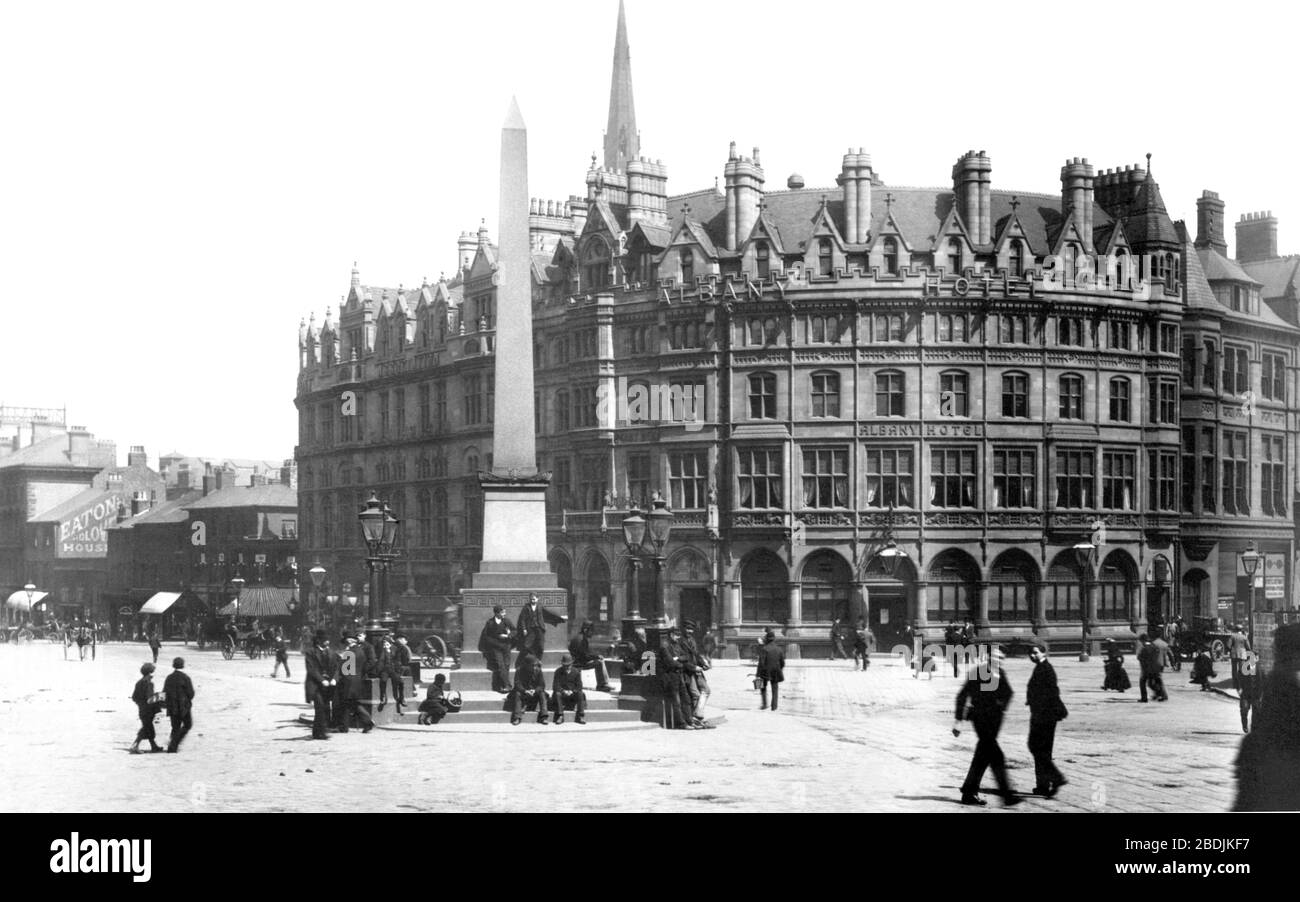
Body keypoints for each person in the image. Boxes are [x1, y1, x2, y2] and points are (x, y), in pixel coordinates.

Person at [1235, 623, 1300, 811]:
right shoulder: (1281, 680)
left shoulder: (1280, 679)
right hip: (1276, 775)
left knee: (1248, 710)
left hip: (1272, 774)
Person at [953, 649, 1020, 806]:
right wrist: (958, 720)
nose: (999, 661)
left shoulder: (1000, 673)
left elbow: (1009, 692)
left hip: (994, 721)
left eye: (1002, 658)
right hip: (980, 719)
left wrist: (1001, 707)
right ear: (989, 657)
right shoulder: (978, 672)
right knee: (997, 756)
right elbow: (962, 695)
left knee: (982, 757)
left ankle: (969, 792)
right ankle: (1007, 796)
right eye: (996, 657)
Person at [1025, 642, 1068, 797]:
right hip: (1042, 714)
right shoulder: (1040, 667)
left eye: (1035, 652)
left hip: (1044, 716)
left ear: (1044, 653)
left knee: (1036, 747)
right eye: (1030, 653)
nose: (1032, 655)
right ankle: (1043, 785)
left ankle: (1055, 778)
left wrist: (1038, 708)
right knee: (1041, 750)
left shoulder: (1046, 669)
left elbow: (1052, 693)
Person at [656, 626, 694, 728]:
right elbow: (670, 663)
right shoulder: (664, 646)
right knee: (676, 701)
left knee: (686, 699)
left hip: (679, 675)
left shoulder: (676, 645)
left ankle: (689, 721)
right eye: (677, 635)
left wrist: (677, 658)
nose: (678, 638)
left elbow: (686, 656)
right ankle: (682, 724)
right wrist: (680, 662)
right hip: (670, 677)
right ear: (671, 635)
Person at [335, 633, 374, 733]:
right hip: (357, 681)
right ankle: (367, 722)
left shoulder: (349, 652)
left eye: (346, 642)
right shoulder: (360, 651)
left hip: (348, 681)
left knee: (345, 704)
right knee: (353, 704)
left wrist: (340, 659)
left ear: (350, 641)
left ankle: (345, 726)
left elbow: (345, 669)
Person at [303, 629, 338, 740]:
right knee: (320, 707)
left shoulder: (332, 653)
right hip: (315, 684)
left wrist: (334, 679)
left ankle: (317, 732)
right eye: (325, 640)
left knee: (326, 707)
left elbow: (337, 668)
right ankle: (322, 732)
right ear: (318, 641)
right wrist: (321, 680)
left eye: (328, 640)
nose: (327, 642)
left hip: (328, 686)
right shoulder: (310, 652)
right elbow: (311, 669)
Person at [516, 592, 566, 661]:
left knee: (541, 646)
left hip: (539, 628)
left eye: (534, 599)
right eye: (531, 599)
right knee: (526, 646)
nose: (532, 601)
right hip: (530, 629)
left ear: (537, 599)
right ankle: (532, 657)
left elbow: (549, 613)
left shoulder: (540, 606)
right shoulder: (526, 607)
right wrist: (524, 629)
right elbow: (522, 619)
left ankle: (538, 660)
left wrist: (560, 617)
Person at [478, 605, 515, 694]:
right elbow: (486, 637)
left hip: (506, 646)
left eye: (505, 612)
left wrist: (508, 636)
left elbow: (514, 630)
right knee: (500, 665)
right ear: (497, 613)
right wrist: (496, 641)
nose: (504, 614)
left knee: (506, 665)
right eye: (502, 612)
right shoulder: (490, 623)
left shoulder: (507, 621)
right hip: (496, 648)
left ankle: (504, 685)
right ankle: (507, 686)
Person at [568, 620, 612, 692]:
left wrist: (595, 655)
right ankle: (602, 685)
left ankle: (605, 683)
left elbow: (584, 654)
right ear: (585, 630)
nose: (592, 633)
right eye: (591, 631)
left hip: (575, 662)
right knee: (599, 662)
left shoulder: (577, 637)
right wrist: (596, 656)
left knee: (598, 659)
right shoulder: (582, 640)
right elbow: (585, 657)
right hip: (579, 663)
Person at [129, 662, 164, 754]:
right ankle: (135, 746)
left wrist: (140, 704)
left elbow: (134, 697)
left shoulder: (139, 683)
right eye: (153, 671)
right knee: (146, 729)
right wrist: (160, 696)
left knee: (147, 728)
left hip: (142, 710)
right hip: (148, 710)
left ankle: (154, 746)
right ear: (150, 672)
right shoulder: (149, 684)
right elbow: (150, 699)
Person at [162, 657, 195, 753]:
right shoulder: (185, 677)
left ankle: (172, 745)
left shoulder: (169, 677)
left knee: (175, 727)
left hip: (172, 706)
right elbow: (191, 693)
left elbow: (165, 692)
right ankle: (173, 744)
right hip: (183, 706)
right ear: (183, 665)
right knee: (188, 725)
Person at [681, 619, 711, 722]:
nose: (690, 631)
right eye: (688, 629)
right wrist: (694, 668)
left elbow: (696, 654)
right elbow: (681, 660)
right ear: (683, 629)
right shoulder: (680, 641)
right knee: (696, 695)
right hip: (688, 672)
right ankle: (697, 717)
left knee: (706, 690)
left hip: (697, 671)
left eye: (691, 629)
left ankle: (697, 714)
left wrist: (703, 663)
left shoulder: (692, 640)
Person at [509, 651, 548, 725]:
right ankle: (517, 717)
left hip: (534, 692)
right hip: (523, 692)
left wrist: (535, 690)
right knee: (517, 694)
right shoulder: (519, 670)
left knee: (542, 694)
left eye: (535, 665)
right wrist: (525, 691)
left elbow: (542, 685)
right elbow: (517, 683)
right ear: (526, 665)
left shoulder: (538, 670)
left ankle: (544, 716)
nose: (534, 667)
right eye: (532, 665)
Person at [551, 654, 587, 725]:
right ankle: (560, 715)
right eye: (565, 665)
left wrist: (572, 691)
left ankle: (580, 715)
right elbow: (555, 686)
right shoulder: (558, 672)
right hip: (562, 694)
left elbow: (579, 686)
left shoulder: (576, 672)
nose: (566, 667)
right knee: (557, 694)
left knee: (580, 693)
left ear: (571, 664)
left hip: (572, 694)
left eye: (568, 665)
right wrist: (563, 691)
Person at [756, 630, 785, 712]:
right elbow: (782, 662)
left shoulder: (764, 649)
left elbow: (761, 662)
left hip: (765, 671)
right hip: (776, 671)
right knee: (775, 688)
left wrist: (758, 673)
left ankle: (765, 704)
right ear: (774, 639)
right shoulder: (779, 649)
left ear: (767, 639)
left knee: (763, 687)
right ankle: (774, 706)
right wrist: (779, 669)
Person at [1136, 634, 1167, 702]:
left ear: (1142, 640)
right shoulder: (1154, 646)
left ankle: (1144, 698)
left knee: (1142, 682)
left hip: (1147, 668)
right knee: (1157, 682)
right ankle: (1163, 695)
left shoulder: (1144, 648)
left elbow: (1140, 657)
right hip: (1155, 667)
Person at [1238, 651, 1261, 734]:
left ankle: (1253, 729)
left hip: (1256, 694)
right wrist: (1239, 688)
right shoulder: (1244, 667)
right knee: (1244, 710)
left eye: (1257, 658)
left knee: (1256, 712)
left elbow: (1262, 681)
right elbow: (1239, 679)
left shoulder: (1259, 669)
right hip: (1246, 694)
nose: (1256, 659)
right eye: (1255, 657)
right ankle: (1245, 725)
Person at [390, 634, 412, 713]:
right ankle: (402, 698)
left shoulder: (400, 648)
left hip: (396, 668)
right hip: (392, 669)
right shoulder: (400, 647)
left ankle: (401, 698)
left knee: (401, 680)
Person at [1229, 623, 1252, 692]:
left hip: (1234, 654)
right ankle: (1241, 684)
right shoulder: (1244, 637)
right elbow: (1248, 647)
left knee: (1234, 670)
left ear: (1235, 629)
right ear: (1241, 630)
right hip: (1242, 655)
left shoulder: (1232, 636)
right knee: (1242, 670)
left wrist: (1232, 649)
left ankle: (1235, 685)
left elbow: (1228, 645)